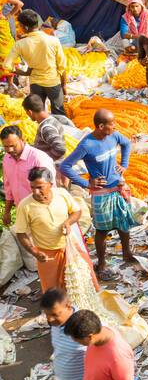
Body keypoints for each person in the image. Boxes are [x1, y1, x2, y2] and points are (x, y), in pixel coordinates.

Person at [60, 110, 139, 275]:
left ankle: (127, 253)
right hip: (101, 193)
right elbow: (65, 166)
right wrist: (87, 183)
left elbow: (127, 144)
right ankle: (102, 264)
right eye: (111, 123)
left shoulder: (114, 136)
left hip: (118, 187)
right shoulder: (86, 145)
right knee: (102, 230)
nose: (114, 125)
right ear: (101, 126)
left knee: (123, 223)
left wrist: (124, 164)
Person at [12, 167, 78, 292]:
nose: (36, 192)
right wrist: (34, 252)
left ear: (50, 184)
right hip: (47, 255)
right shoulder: (25, 205)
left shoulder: (62, 194)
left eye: (40, 187)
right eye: (32, 187)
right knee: (52, 292)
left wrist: (68, 222)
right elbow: (21, 233)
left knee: (77, 285)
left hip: (70, 248)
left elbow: (76, 211)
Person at [6, 10, 67, 116]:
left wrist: (24, 73)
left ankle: (42, 131)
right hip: (53, 82)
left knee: (39, 113)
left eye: (19, 25)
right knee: (59, 113)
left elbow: (6, 65)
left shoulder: (20, 44)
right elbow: (62, 66)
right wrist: (64, 85)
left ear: (24, 27)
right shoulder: (53, 40)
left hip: (35, 84)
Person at [2, 123, 54, 223]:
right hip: (22, 212)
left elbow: (50, 187)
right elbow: (8, 187)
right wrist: (7, 212)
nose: (9, 150)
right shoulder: (7, 159)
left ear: (22, 140)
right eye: (6, 146)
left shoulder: (38, 158)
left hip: (41, 212)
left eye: (13, 145)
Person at [24, 93, 70, 165]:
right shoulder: (51, 120)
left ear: (30, 112)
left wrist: (43, 159)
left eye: (26, 113)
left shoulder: (47, 128)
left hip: (52, 167)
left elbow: (60, 148)